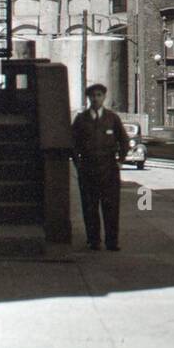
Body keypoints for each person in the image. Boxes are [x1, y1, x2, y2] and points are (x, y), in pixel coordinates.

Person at [71, 83, 128, 251]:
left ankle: (112, 241)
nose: (95, 98)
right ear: (88, 98)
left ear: (104, 97)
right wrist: (78, 164)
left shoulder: (112, 118)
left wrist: (120, 160)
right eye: (92, 96)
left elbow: (124, 141)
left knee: (111, 207)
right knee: (90, 207)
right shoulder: (81, 119)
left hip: (109, 169)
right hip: (88, 169)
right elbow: (72, 143)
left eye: (99, 95)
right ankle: (93, 240)